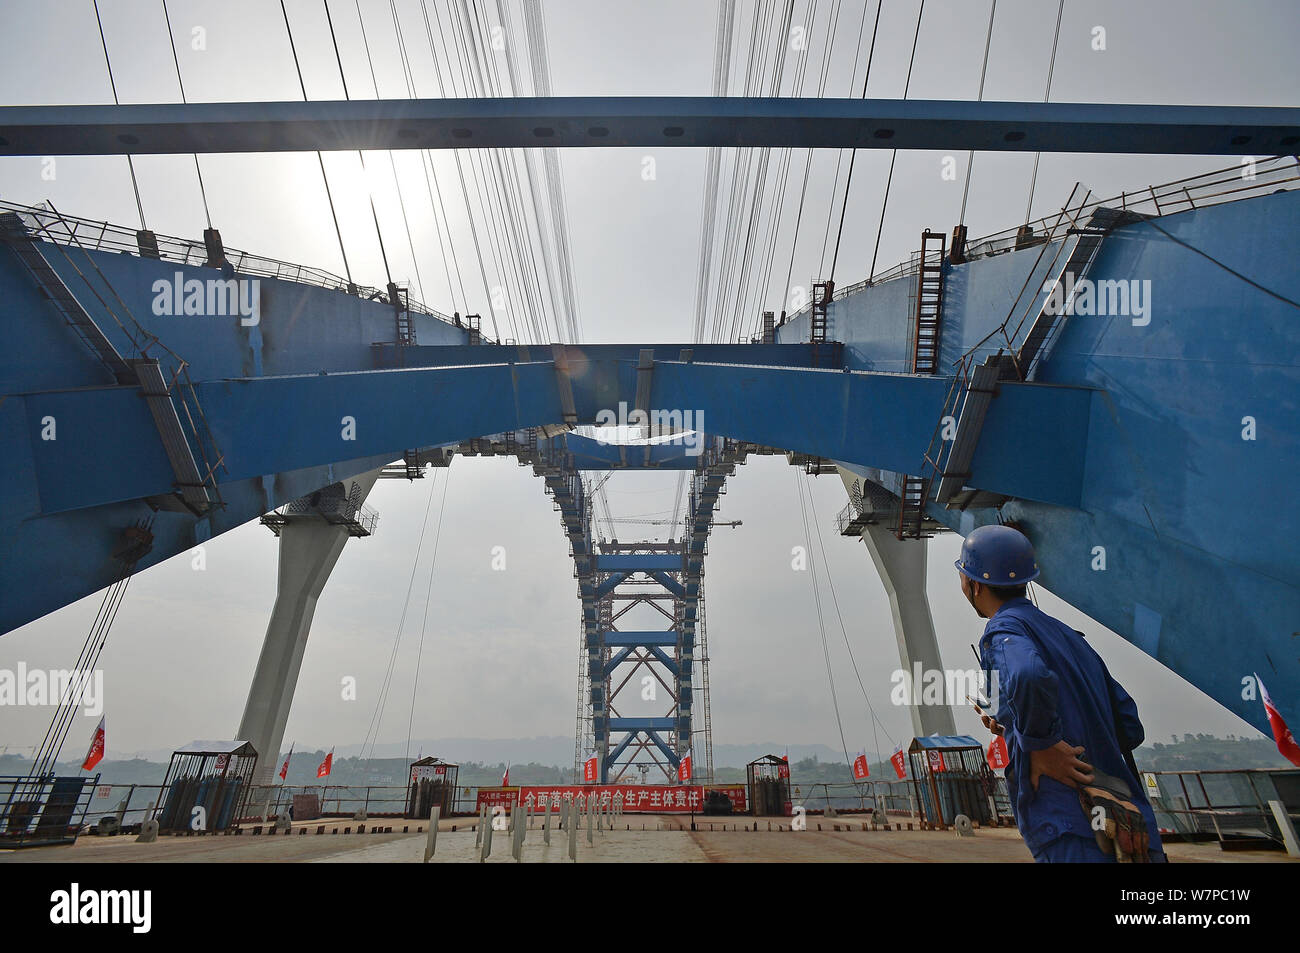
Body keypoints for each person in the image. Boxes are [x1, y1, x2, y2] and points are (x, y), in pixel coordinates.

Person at [957, 524, 1166, 863]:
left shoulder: (1002, 630)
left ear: (975, 584)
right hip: (1131, 829)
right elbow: (1128, 723)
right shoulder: (1071, 638)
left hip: (1074, 828)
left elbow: (1027, 675)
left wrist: (1039, 744)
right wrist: (1012, 723)